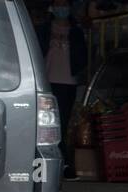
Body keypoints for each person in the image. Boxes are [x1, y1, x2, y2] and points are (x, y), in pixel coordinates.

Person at [37, 3, 89, 180]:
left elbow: (83, 56)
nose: (62, 8)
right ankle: (44, 164)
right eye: (58, 4)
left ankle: (63, 165)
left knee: (63, 124)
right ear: (52, 6)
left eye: (65, 4)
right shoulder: (43, 29)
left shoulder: (76, 31)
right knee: (45, 125)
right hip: (46, 83)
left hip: (68, 83)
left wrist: (80, 72)